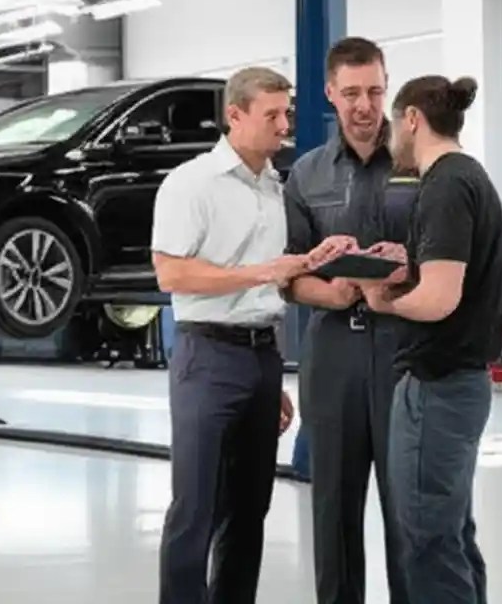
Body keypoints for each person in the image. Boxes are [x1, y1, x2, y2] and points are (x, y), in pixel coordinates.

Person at [151, 66, 346, 604]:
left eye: (288, 113)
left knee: (249, 508)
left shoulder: (275, 189)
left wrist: (271, 375)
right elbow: (171, 273)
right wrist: (263, 273)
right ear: (234, 115)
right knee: (194, 507)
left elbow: (271, 287)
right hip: (206, 355)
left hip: (261, 356)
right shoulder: (191, 183)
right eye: (272, 115)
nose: (285, 125)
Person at [353, 75, 502, 604]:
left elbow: (440, 299)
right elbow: (450, 275)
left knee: (428, 540)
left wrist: (384, 300)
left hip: (438, 386)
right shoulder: (469, 176)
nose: (391, 135)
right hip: (461, 384)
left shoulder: (444, 186)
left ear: (413, 119)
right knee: (451, 534)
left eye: (395, 123)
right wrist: (408, 264)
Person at [282, 37, 412, 604]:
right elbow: (288, 275)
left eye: (375, 91)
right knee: (333, 506)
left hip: (406, 347)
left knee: (409, 508)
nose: (365, 106)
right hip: (333, 350)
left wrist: (404, 268)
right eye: (352, 93)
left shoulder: (419, 162)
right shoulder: (306, 174)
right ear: (331, 93)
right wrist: (330, 293)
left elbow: (448, 255)